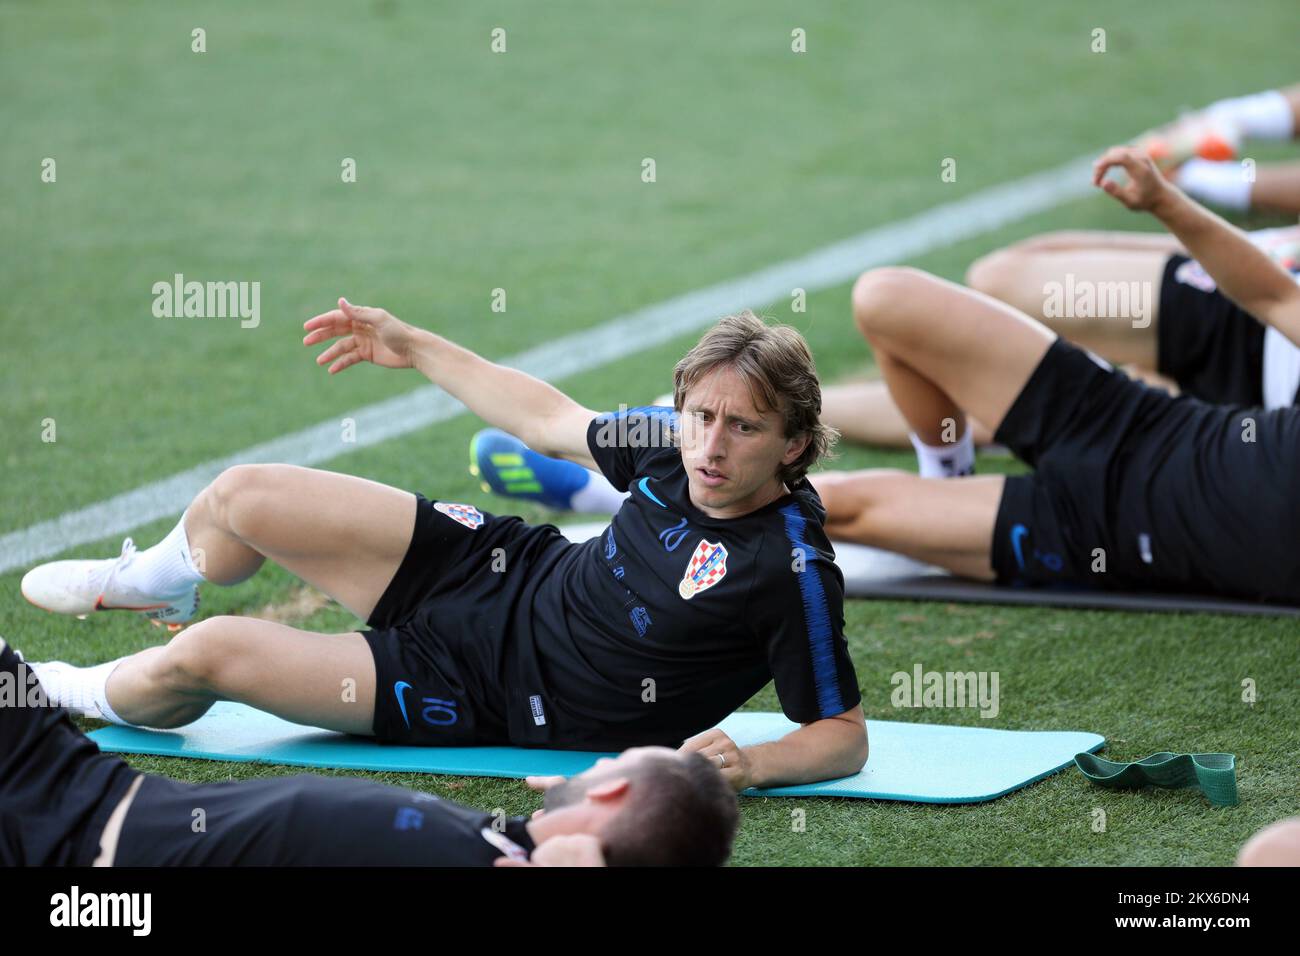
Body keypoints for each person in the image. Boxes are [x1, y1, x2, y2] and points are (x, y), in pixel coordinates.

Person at [21, 311, 867, 791]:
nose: (710, 447)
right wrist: (415, 345)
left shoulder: (789, 566)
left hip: (483, 690)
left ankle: (50, 687)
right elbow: (546, 419)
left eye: (744, 428)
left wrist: (749, 765)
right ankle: (155, 582)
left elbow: (843, 734)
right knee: (243, 495)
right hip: (499, 567)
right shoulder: (671, 442)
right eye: (700, 417)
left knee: (203, 658)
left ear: (794, 444)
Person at [0, 637, 738, 867]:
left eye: (612, 767)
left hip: (73, 843)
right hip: (80, 793)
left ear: (610, 798)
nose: (596, 766)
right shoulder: (496, 840)